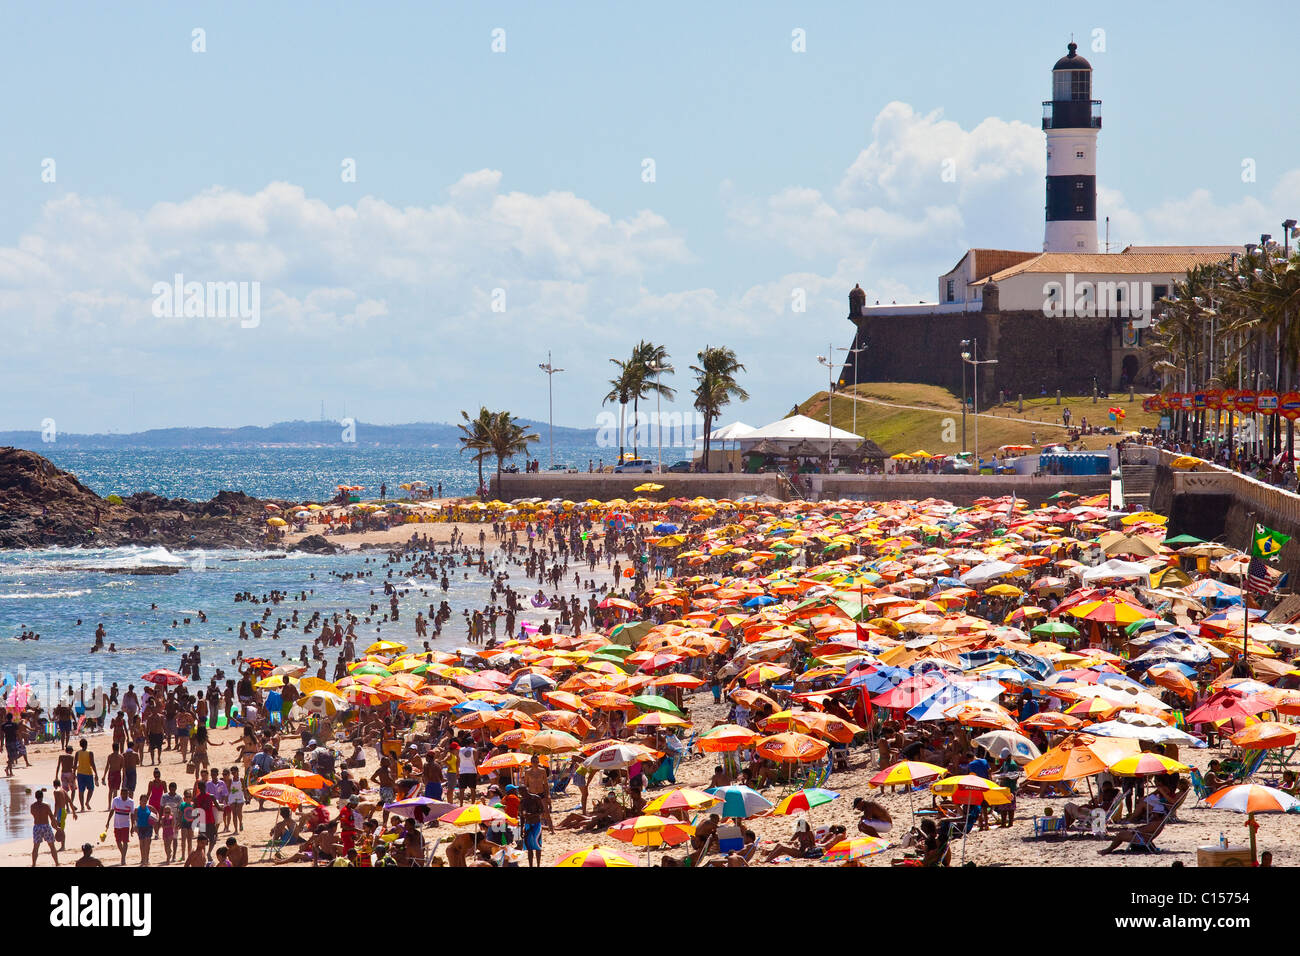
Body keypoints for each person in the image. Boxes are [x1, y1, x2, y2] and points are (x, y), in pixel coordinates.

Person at [30, 788, 60, 867]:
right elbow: (52, 818)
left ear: (36, 797)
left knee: (36, 847)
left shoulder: (32, 806)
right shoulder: (46, 806)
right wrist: (56, 828)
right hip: (45, 826)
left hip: (37, 826)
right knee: (52, 846)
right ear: (42, 796)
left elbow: (33, 815)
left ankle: (33, 864)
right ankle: (57, 863)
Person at [106, 786, 135, 866]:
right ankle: (123, 854)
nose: (124, 796)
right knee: (118, 841)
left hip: (126, 824)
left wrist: (133, 826)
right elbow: (112, 811)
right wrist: (108, 821)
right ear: (121, 794)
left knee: (125, 841)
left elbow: (132, 814)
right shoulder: (116, 800)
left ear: (128, 794)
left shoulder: (131, 802)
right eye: (122, 794)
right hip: (117, 824)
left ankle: (123, 858)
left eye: (126, 794)